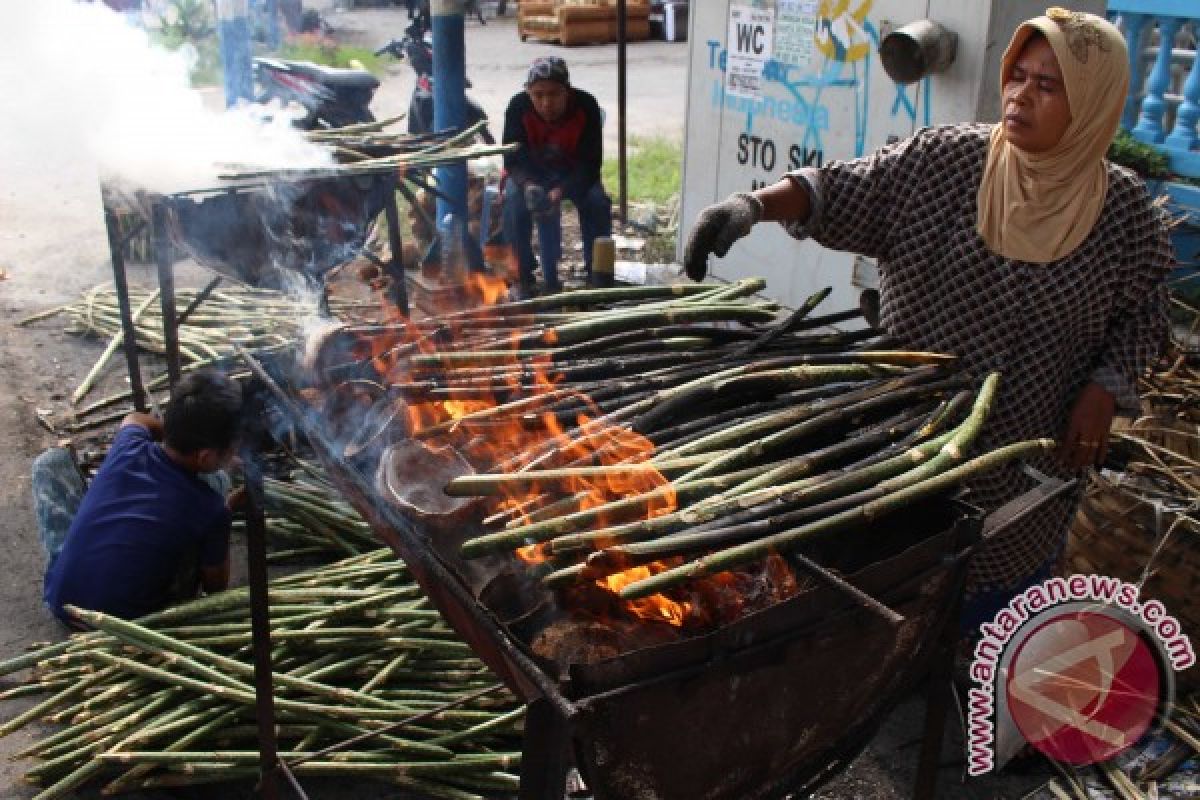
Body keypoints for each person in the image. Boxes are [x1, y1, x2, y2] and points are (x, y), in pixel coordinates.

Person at [684, 9, 1173, 631]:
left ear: (1093, 101)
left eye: (1047, 86)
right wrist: (751, 206)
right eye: (1016, 75)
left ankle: (964, 679)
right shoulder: (947, 160)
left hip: (1025, 449)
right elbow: (839, 188)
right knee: (879, 586)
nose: (1020, 95)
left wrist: (1106, 390)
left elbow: (1144, 316)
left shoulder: (1124, 212)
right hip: (897, 433)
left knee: (987, 611)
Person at [35, 370, 244, 625]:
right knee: (213, 497)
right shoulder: (210, 508)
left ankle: (74, 565)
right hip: (127, 625)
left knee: (50, 463)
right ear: (205, 457)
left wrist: (178, 432)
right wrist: (229, 508)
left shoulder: (130, 445)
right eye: (233, 447)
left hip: (63, 602)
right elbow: (216, 587)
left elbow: (134, 418)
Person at [502, 56, 612, 298]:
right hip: (533, 174)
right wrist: (529, 185)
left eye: (553, 94)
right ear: (528, 93)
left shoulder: (586, 106)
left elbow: (590, 164)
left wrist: (561, 191)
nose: (546, 103)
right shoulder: (518, 107)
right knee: (512, 201)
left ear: (567, 92)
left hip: (573, 174)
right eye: (538, 95)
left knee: (597, 202)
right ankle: (521, 275)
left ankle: (598, 273)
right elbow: (511, 158)